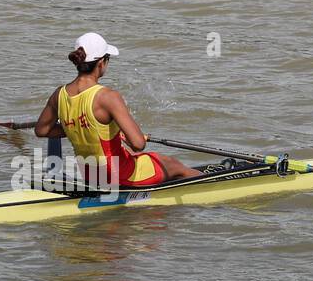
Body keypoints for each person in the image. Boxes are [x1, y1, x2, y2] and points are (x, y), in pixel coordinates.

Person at [35, 32, 199, 190]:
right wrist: (129, 137)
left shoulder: (59, 94)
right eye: (108, 59)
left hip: (90, 175)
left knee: (153, 162)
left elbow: (42, 130)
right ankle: (212, 187)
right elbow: (138, 144)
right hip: (121, 175)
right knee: (172, 164)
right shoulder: (108, 97)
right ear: (101, 63)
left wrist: (77, 128)